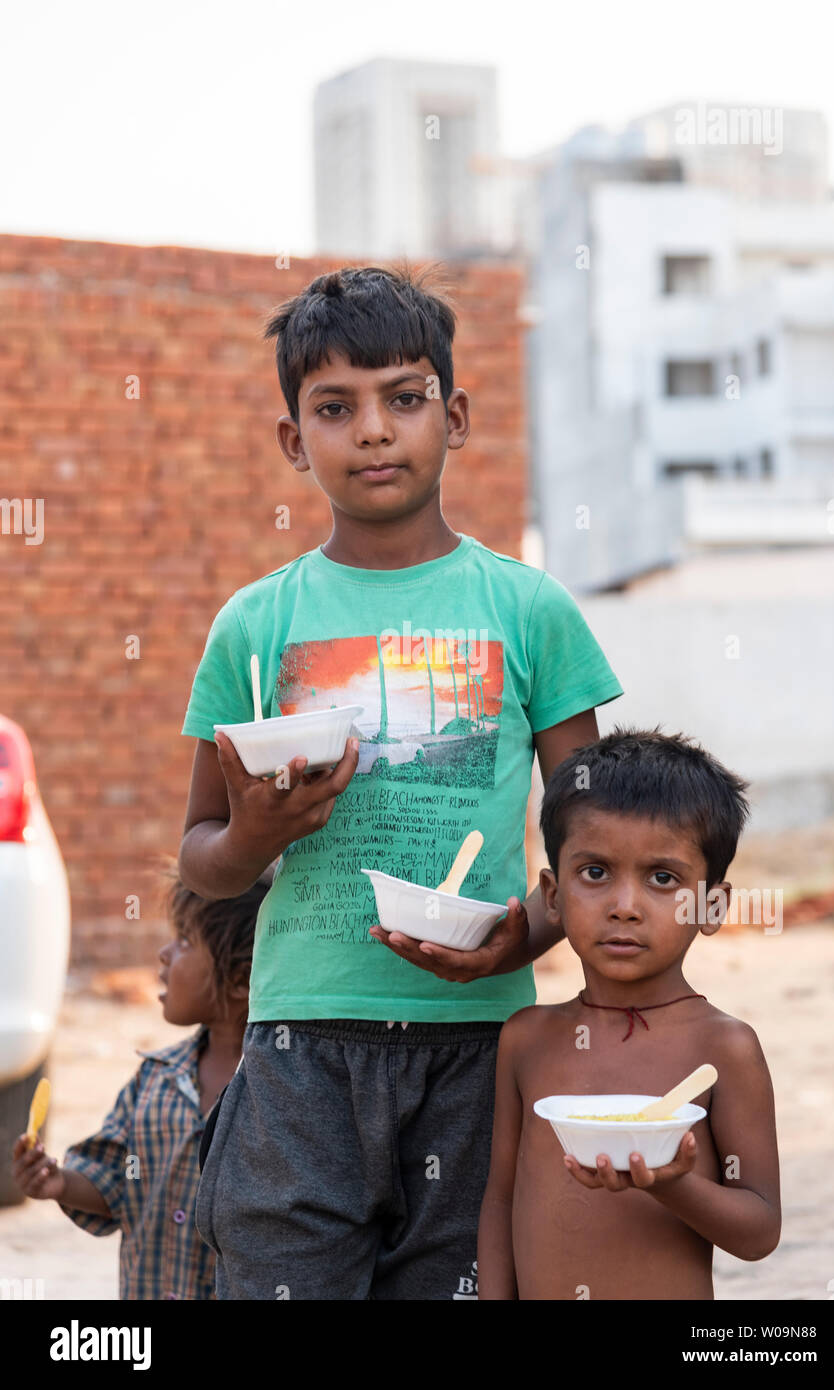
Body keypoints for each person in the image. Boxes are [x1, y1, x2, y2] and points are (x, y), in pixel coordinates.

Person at [177, 261, 624, 1300]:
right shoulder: (253, 625)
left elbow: (596, 845)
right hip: (301, 1051)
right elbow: (203, 853)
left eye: (404, 397)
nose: (373, 429)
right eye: (335, 407)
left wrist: (535, 930)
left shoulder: (530, 611)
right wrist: (252, 832)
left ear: (454, 416)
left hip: (479, 1046)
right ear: (296, 440)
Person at [478, 727, 782, 1300]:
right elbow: (499, 1200)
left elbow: (759, 1229)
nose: (625, 907)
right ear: (553, 896)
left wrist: (671, 1185)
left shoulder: (724, 1048)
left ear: (711, 907)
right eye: (595, 873)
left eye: (662, 879)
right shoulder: (526, 1038)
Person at [11, 864, 271, 1300]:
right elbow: (114, 1181)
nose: (164, 954)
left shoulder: (276, 1092)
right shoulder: (153, 1079)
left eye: (185, 941)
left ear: (242, 979)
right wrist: (59, 1183)